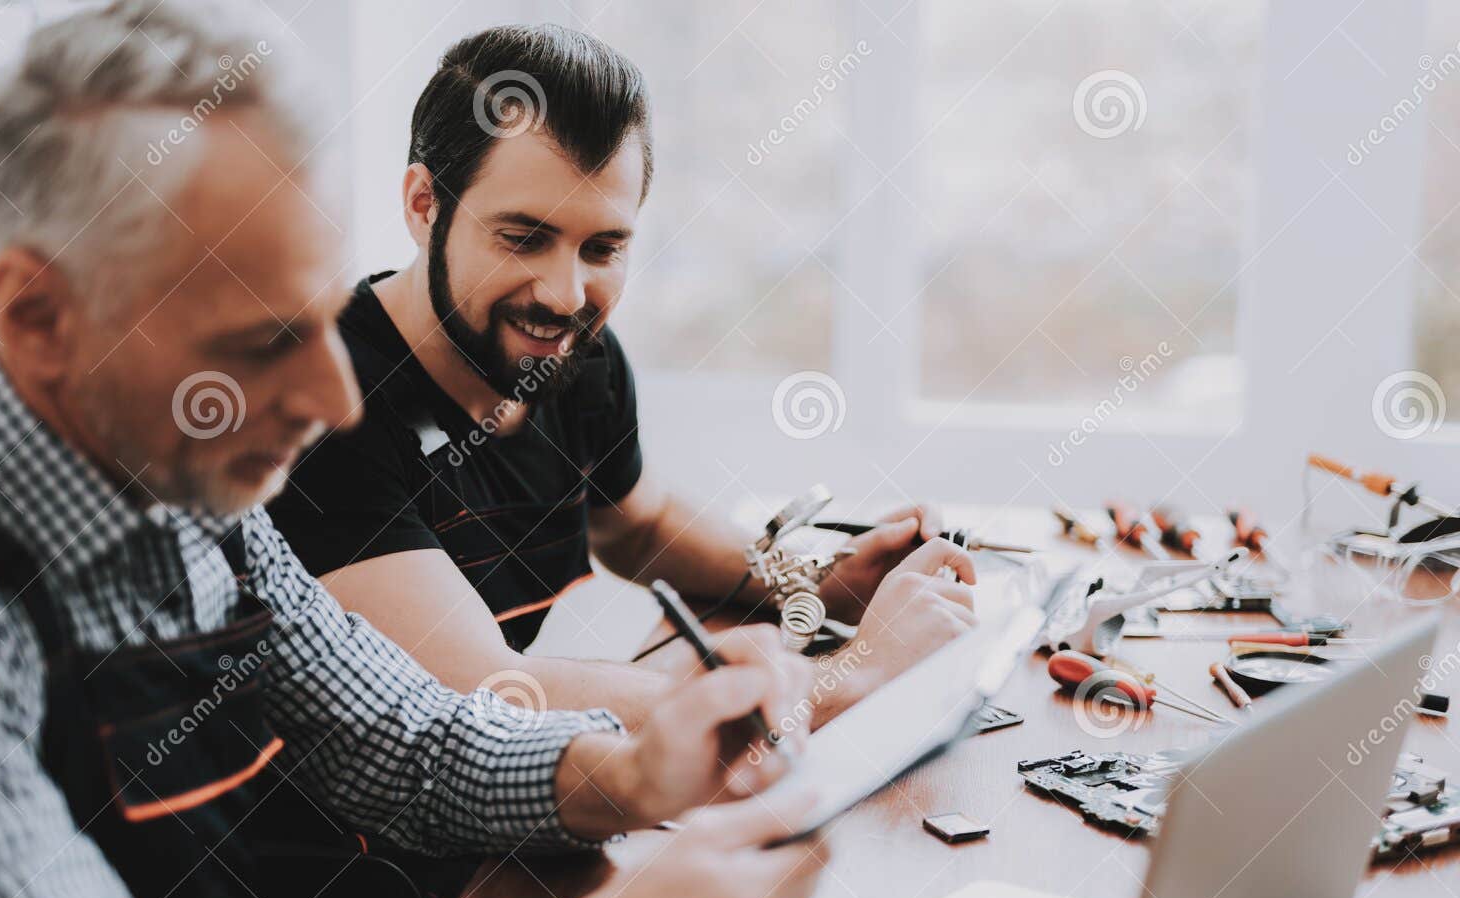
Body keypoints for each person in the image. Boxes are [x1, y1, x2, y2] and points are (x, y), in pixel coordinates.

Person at [0, 0, 822, 898]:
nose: (332, 392)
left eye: (323, 316)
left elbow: (395, 736)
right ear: (42, 320)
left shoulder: (175, 476)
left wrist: (631, 772)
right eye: (268, 340)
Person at [267, 24, 978, 732]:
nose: (566, 294)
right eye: (523, 238)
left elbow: (640, 525)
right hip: (354, 838)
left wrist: (818, 581)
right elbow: (474, 688)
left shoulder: (573, 361)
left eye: (602, 246)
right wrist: (853, 677)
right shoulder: (324, 402)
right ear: (425, 205)